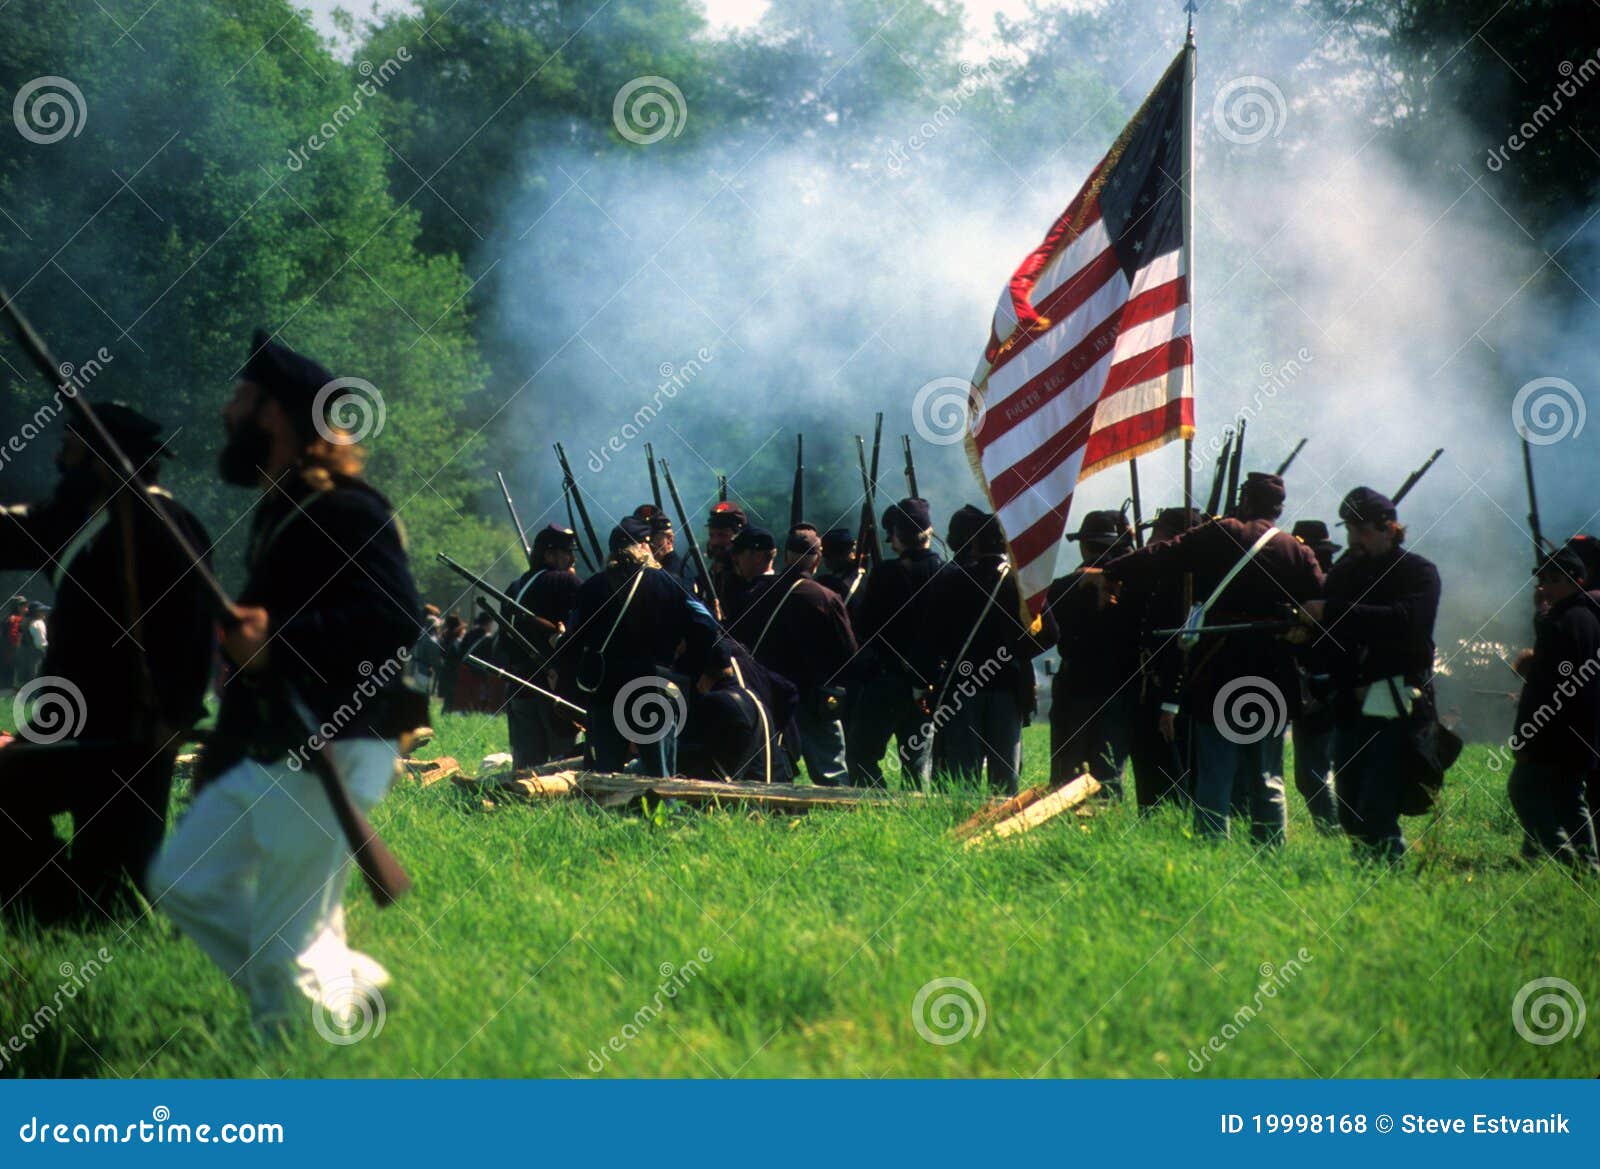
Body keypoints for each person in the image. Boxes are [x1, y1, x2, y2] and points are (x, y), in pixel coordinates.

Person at [149, 329, 425, 1036]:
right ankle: (345, 979)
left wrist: (278, 637)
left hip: (332, 742)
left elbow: (393, 618)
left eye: (241, 397)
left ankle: (292, 1044)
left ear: (274, 413)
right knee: (183, 879)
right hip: (275, 746)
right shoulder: (281, 508)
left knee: (283, 951)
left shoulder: (346, 508)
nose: (228, 410)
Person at [0, 403, 214, 919]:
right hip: (68, 728)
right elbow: (13, 531)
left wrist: (171, 721)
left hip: (128, 736)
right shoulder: (79, 521)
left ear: (102, 460)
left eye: (70, 452)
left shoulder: (167, 526)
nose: (58, 460)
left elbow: (192, 639)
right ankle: (40, 901)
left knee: (114, 897)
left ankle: (54, 906)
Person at [1100, 472, 1323, 843]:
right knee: (1267, 778)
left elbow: (1164, 554)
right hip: (1272, 672)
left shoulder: (1221, 533)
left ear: (1245, 500)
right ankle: (1271, 853)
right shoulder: (1297, 551)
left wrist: (1113, 568)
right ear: (1278, 508)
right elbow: (1321, 606)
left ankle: (1211, 849)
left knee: (1215, 773)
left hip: (1218, 669)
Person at [1302, 488, 1440, 861]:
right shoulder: (1346, 572)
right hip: (1349, 701)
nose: (1353, 538)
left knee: (1378, 802)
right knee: (1348, 802)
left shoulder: (1419, 572)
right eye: (1350, 529)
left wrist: (1333, 611)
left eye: (1361, 529)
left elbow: (1407, 622)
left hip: (1396, 698)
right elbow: (1330, 641)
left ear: (1389, 529)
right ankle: (1369, 873)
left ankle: (1385, 876)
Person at [559, 516, 731, 776]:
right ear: (643, 546)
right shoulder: (671, 583)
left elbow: (572, 641)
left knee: (603, 775)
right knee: (660, 777)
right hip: (654, 688)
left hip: (606, 690)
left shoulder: (591, 587)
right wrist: (708, 666)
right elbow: (707, 625)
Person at [924, 506, 1056, 794]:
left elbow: (933, 637)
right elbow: (1050, 633)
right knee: (1004, 776)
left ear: (975, 543)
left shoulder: (951, 580)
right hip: (1009, 685)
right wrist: (1012, 654)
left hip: (963, 685)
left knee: (961, 775)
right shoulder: (1022, 583)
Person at [726, 527, 858, 785]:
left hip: (772, 693)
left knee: (774, 766)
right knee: (831, 772)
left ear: (786, 556)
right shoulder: (826, 597)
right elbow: (848, 652)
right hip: (814, 695)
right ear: (817, 559)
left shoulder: (757, 592)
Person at [1502, 546, 1600, 872]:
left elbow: (1550, 683)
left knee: (1523, 791)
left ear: (1577, 581)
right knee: (1570, 800)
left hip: (1555, 730)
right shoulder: (1580, 616)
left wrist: (1527, 732)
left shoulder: (1567, 619)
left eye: (1554, 580)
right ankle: (1588, 867)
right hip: (1577, 729)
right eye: (1542, 580)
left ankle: (1565, 854)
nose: (1545, 587)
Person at [846, 498, 943, 789]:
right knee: (917, 760)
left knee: (860, 754)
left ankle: (874, 805)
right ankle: (916, 813)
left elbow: (864, 627)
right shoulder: (945, 572)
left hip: (887, 679)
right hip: (929, 680)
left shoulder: (886, 574)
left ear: (899, 535)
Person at [1046, 510, 1138, 799]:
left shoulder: (1062, 588)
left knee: (1067, 776)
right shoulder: (1137, 587)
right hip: (1120, 688)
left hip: (1075, 688)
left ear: (1084, 546)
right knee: (1109, 776)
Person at [1125, 506, 1200, 811]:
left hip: (1175, 690)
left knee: (1176, 770)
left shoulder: (1189, 583)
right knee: (1150, 772)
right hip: (1151, 685)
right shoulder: (1158, 574)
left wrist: (1171, 700)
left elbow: (1183, 646)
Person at [502, 524, 582, 769]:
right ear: (549, 555)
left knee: (525, 763)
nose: (572, 558)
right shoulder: (566, 581)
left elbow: (503, 643)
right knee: (564, 763)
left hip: (519, 683)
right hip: (555, 685)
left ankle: (520, 801)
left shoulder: (515, 587)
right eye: (566, 552)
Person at [1288, 519, 1342, 832]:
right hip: (1318, 688)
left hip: (1322, 688)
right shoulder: (1334, 583)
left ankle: (1333, 831)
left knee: (1313, 772)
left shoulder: (1328, 590)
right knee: (1314, 772)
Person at [14, 601, 49, 685]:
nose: (44, 613)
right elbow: (40, 644)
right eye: (42, 611)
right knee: (36, 677)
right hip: (35, 654)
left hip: (24, 653)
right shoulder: (38, 623)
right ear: (36, 612)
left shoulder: (25, 621)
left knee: (26, 678)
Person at [2, 596, 25, 689]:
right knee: (15, 673)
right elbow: (13, 635)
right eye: (22, 605)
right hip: (15, 650)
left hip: (8, 650)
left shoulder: (9, 617)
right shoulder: (16, 619)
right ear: (17, 607)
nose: (25, 608)